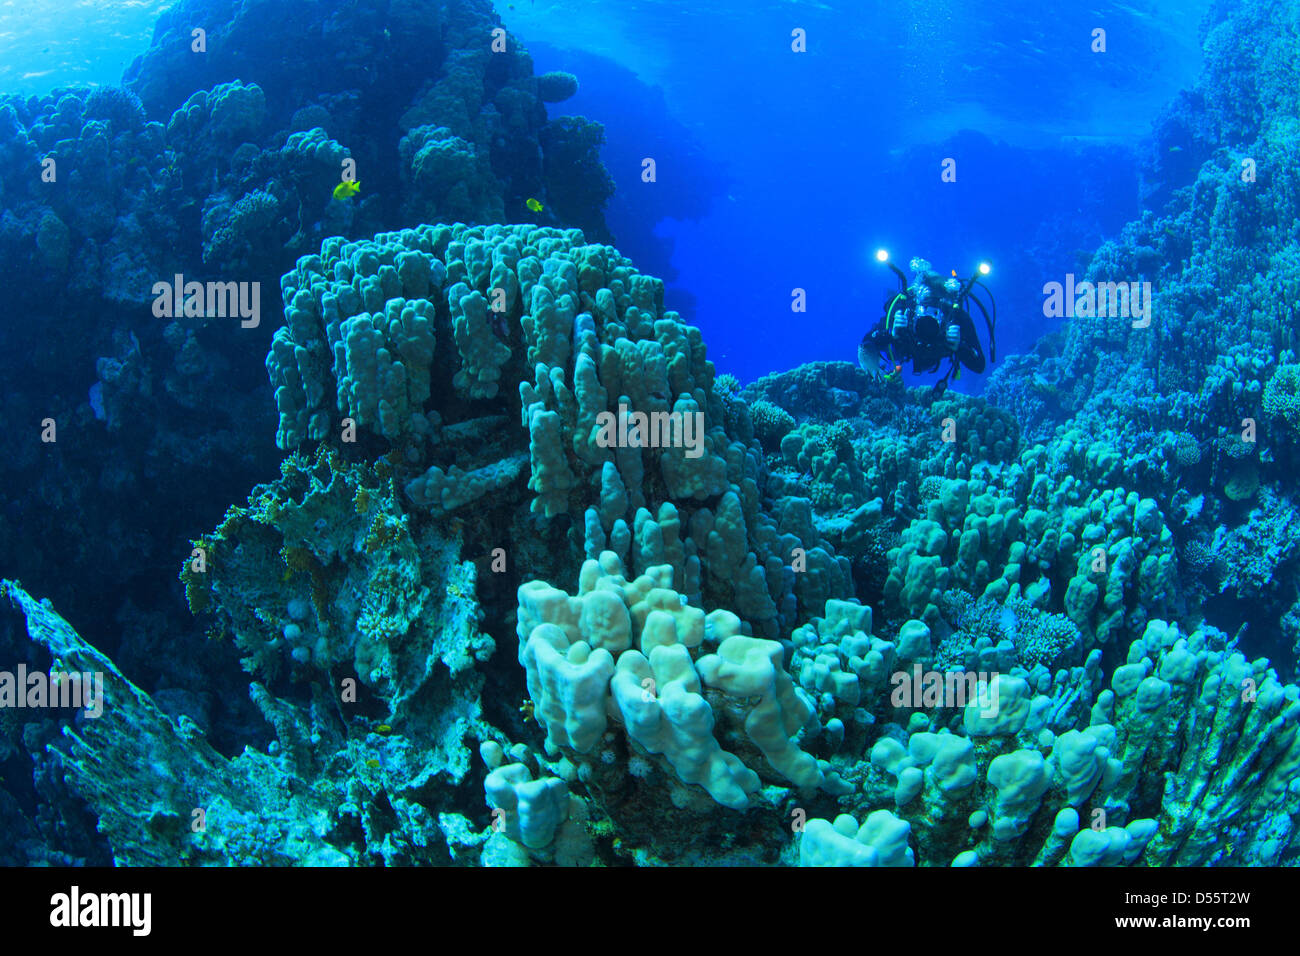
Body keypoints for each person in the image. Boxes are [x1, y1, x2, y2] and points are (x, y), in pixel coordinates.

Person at [858, 253, 997, 397]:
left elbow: (979, 365)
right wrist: (890, 333)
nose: (929, 316)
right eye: (924, 307)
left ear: (944, 305)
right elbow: (867, 342)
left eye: (936, 309)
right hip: (904, 350)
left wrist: (959, 346)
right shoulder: (905, 311)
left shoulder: (955, 317)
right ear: (916, 303)